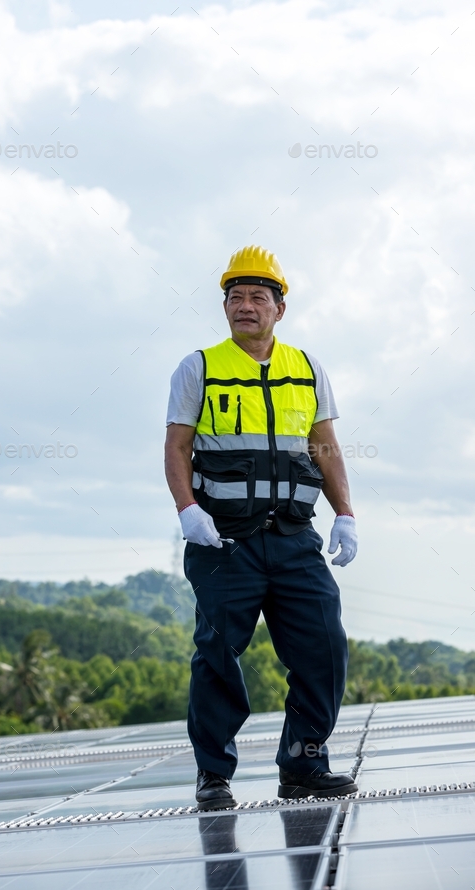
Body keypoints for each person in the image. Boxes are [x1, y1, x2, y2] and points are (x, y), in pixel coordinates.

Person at [164, 245, 358, 810]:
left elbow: (325, 445)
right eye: (235, 298)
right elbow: (176, 447)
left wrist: (345, 512)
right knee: (218, 654)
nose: (244, 307)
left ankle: (303, 761)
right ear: (225, 307)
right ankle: (213, 775)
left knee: (324, 647)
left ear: (279, 308)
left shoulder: (307, 367)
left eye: (257, 297)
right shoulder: (197, 367)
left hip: (295, 537)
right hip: (223, 541)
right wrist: (186, 509)